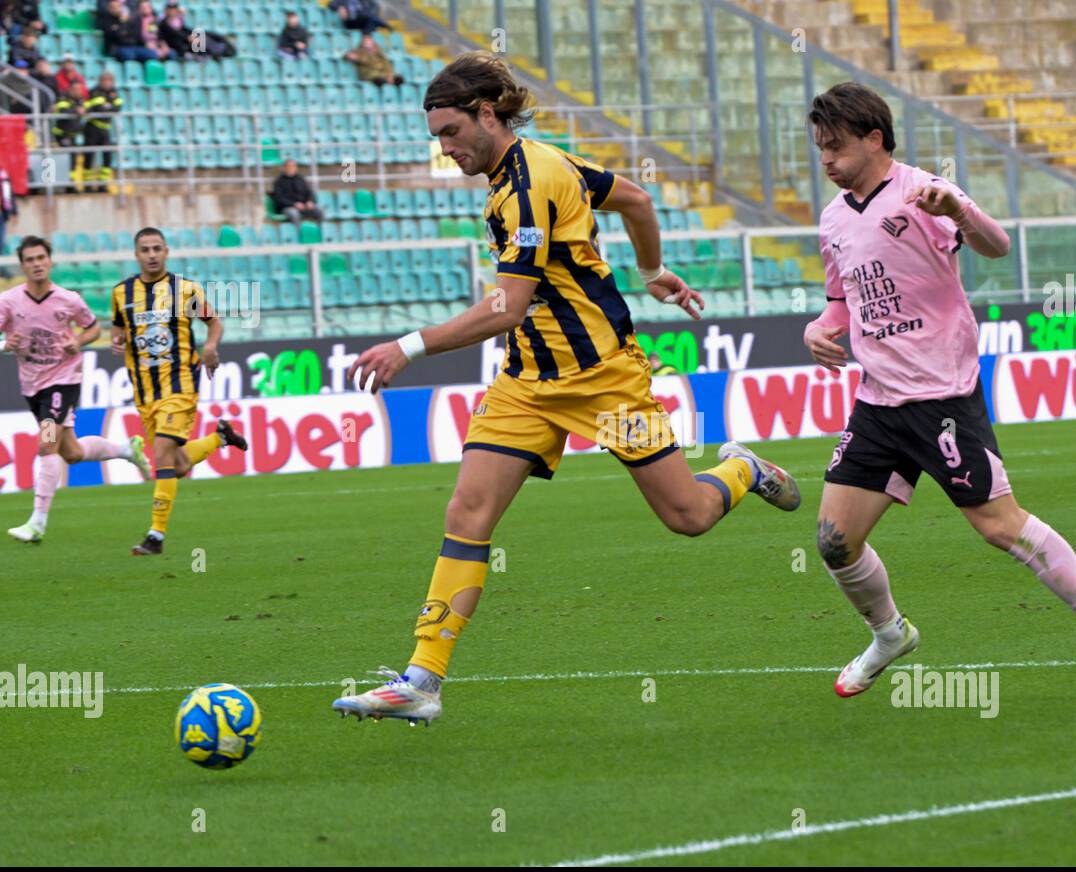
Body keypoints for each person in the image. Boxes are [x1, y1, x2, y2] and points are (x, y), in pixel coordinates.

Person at [332, 53, 801, 726]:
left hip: (604, 378)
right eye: (436, 136)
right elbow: (635, 199)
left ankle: (742, 467)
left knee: (687, 516)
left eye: (450, 132)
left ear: (487, 115)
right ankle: (421, 679)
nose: (445, 147)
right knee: (467, 513)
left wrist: (409, 346)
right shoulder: (545, 163)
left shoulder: (527, 187)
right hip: (527, 380)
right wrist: (652, 268)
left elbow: (505, 307)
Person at [800, 83, 1076, 703]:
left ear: (875, 140)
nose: (826, 160)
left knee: (1000, 527)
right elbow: (840, 299)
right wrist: (820, 329)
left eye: (836, 147)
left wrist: (958, 212)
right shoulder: (834, 218)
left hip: (943, 395)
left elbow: (998, 246)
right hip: (879, 401)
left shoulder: (925, 193)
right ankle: (890, 634)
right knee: (834, 541)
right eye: (820, 149)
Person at [2, 236, 151, 543]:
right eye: (30, 259)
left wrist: (78, 341)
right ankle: (126, 450)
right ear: (23, 265)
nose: (36, 264)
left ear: (50, 261)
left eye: (41, 257)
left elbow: (93, 327)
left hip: (64, 380)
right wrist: (5, 344)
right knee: (71, 452)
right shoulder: (8, 301)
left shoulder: (68, 299)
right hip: (33, 384)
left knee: (46, 444)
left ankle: (37, 524)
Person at [109, 228, 248, 556]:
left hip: (181, 385)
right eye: (145, 249)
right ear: (136, 254)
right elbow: (117, 330)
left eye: (157, 248)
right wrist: (117, 341)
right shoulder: (121, 293)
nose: (152, 254)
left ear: (167, 251)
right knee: (179, 464)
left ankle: (155, 535)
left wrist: (211, 347)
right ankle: (221, 438)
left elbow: (214, 322)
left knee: (160, 454)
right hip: (145, 392)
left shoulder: (185, 289)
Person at [83, 71, 122, 192]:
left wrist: (108, 106)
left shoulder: (113, 92)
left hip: (105, 129)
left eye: (109, 81)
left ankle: (103, 183)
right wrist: (108, 106)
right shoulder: (95, 91)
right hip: (92, 127)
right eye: (105, 80)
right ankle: (87, 184)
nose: (107, 83)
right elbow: (96, 107)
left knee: (107, 156)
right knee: (89, 155)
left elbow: (118, 106)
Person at [269, 158, 324, 224]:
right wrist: (294, 204)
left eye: (293, 166)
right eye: (289, 166)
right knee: (294, 214)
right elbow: (279, 199)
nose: (291, 168)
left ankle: (321, 232)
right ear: (284, 168)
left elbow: (309, 192)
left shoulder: (300, 179)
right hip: (287, 207)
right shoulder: (279, 182)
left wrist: (310, 201)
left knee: (320, 211)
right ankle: (299, 234)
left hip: (304, 207)